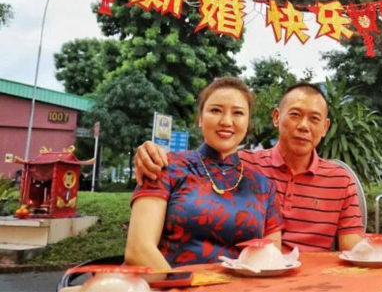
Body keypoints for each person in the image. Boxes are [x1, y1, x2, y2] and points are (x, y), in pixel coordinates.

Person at [134, 82, 364, 252]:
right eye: (295, 115)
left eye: (314, 119)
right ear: (276, 117)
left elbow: (353, 248)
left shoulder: (340, 180)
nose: (303, 126)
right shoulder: (243, 166)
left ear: (325, 127)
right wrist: (152, 152)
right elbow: (205, 160)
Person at [125, 77, 282, 270]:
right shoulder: (164, 166)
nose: (226, 121)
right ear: (200, 118)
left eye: (238, 113)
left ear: (248, 122)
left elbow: (272, 260)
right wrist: (181, 284)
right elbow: (138, 250)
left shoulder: (264, 187)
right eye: (215, 110)